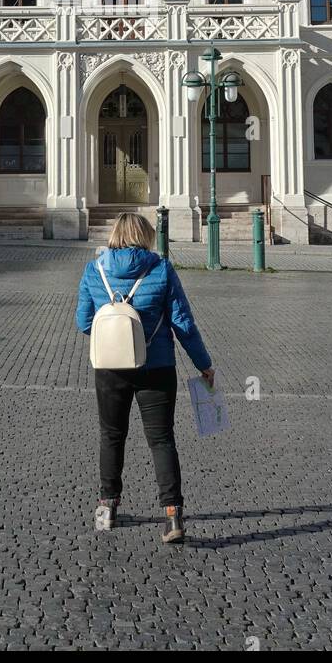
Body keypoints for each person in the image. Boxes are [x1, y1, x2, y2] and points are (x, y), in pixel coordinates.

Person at [75, 212, 214, 544]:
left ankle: (107, 508)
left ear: (114, 235)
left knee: (111, 435)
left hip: (110, 368)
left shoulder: (95, 269)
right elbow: (183, 324)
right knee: (162, 440)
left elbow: (83, 322)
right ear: (146, 236)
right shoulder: (161, 268)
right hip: (158, 366)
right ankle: (172, 516)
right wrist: (203, 364)